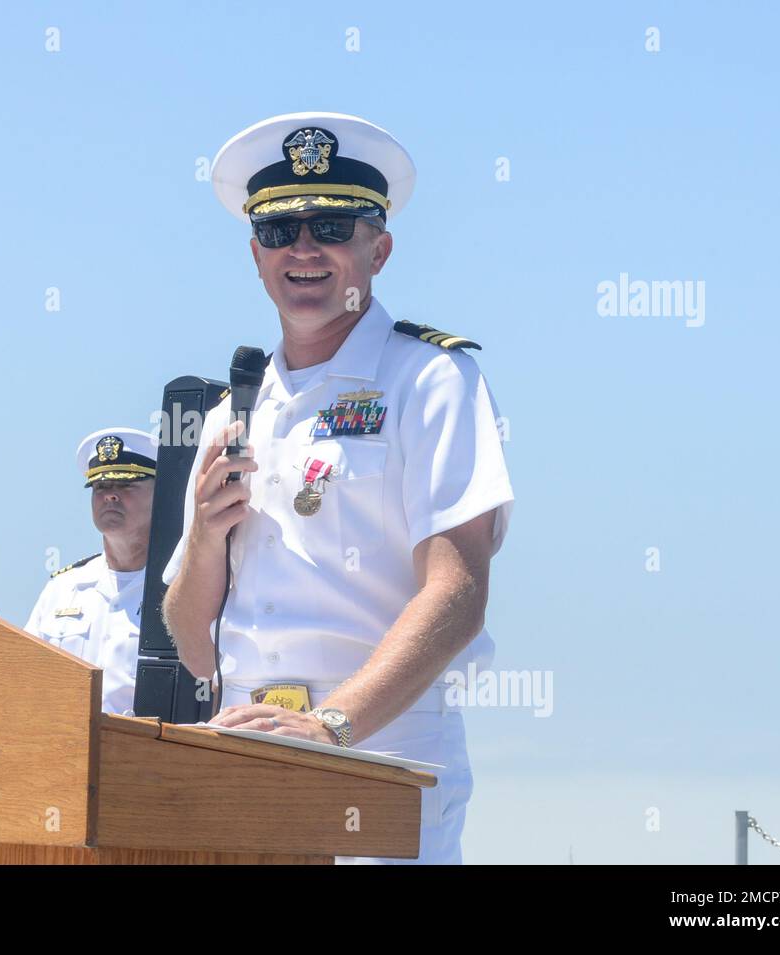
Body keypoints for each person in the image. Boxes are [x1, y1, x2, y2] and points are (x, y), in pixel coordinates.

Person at [161, 112, 514, 864]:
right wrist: (202, 535)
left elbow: (456, 593)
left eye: (332, 225)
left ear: (378, 249)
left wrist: (331, 726)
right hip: (243, 759)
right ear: (256, 255)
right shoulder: (233, 413)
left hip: (378, 756)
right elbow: (194, 649)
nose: (305, 249)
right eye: (282, 230)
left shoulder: (431, 381)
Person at [24, 427, 157, 716]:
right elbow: (26, 680)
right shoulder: (62, 589)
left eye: (126, 485)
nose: (110, 496)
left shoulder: (183, 587)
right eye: (101, 486)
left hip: (147, 753)